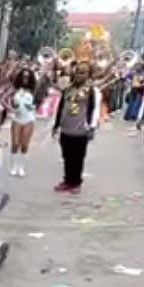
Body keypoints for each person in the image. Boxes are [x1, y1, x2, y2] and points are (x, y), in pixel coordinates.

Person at [52, 63, 101, 194]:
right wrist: (56, 125)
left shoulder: (92, 91)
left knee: (77, 158)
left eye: (83, 72)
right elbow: (61, 107)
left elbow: (95, 109)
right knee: (66, 156)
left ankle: (76, 182)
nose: (79, 75)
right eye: (78, 72)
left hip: (80, 130)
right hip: (66, 129)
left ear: (88, 75)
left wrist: (92, 127)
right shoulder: (68, 89)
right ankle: (67, 181)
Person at [8, 69, 38, 177]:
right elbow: (6, 99)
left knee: (24, 145)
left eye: (28, 77)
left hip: (29, 118)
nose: (25, 79)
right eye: (24, 76)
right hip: (17, 118)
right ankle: (13, 166)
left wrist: (33, 107)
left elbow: (38, 103)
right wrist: (12, 107)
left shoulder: (33, 90)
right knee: (15, 144)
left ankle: (21, 167)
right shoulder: (15, 89)